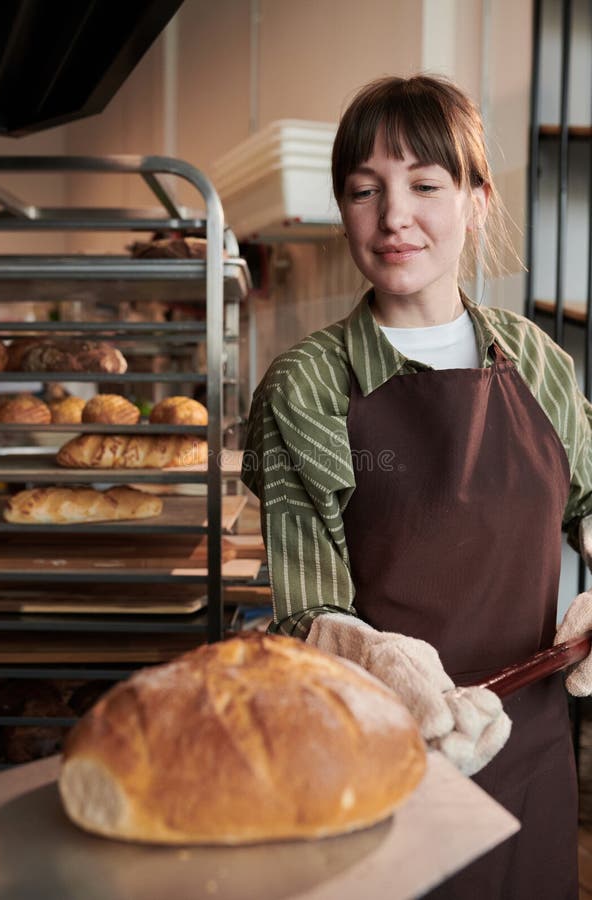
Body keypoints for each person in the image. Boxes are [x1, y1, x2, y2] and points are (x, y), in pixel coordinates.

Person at [242, 74, 592, 899]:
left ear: (476, 202)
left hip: (533, 758)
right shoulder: (308, 385)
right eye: (365, 190)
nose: (395, 215)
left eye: (426, 185)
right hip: (380, 765)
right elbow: (306, 607)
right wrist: (373, 658)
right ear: (345, 211)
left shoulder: (538, 360)